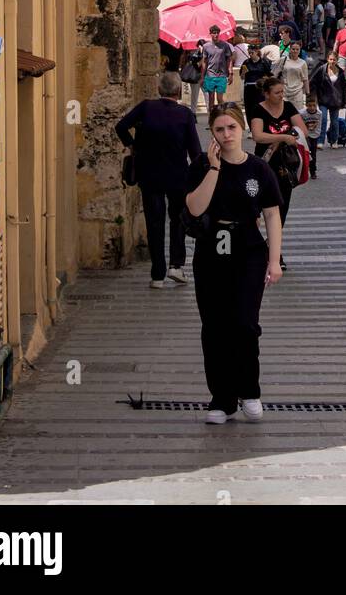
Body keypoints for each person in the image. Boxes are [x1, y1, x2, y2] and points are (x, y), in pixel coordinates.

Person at [185, 103, 283, 423]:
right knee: (214, 326)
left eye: (231, 128)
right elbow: (196, 208)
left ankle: (249, 391)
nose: (226, 135)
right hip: (211, 251)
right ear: (211, 133)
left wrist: (274, 261)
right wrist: (214, 167)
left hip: (248, 251)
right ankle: (222, 398)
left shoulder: (258, 169)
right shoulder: (203, 164)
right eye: (219, 129)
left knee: (244, 323)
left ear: (242, 129)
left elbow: (271, 214)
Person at [116, 71, 201, 288]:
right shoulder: (185, 115)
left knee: (154, 222)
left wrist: (133, 145)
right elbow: (195, 152)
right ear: (179, 90)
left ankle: (157, 275)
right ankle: (176, 266)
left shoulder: (146, 107)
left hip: (149, 175)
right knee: (178, 219)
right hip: (178, 176)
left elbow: (121, 126)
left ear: (159, 90)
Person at [250, 75, 309, 265]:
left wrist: (286, 136)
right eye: (277, 93)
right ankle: (257, 246)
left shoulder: (288, 107)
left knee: (281, 209)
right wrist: (283, 137)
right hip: (264, 166)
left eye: (282, 92)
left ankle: (273, 250)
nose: (281, 96)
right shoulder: (258, 110)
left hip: (286, 167)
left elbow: (302, 130)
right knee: (256, 208)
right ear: (266, 94)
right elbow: (258, 136)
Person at [309, 49, 346, 148]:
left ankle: (334, 140)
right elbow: (312, 82)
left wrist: (344, 102)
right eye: (330, 59)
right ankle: (320, 141)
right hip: (323, 99)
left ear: (337, 60)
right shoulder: (322, 69)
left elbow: (344, 88)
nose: (332, 62)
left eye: (334, 60)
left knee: (334, 122)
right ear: (327, 59)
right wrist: (313, 96)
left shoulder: (340, 72)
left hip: (336, 101)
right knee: (323, 120)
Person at [202, 25, 234, 115]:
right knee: (211, 99)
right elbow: (204, 61)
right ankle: (211, 119)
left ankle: (222, 116)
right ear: (210, 34)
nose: (216, 35)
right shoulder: (206, 46)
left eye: (217, 33)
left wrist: (231, 73)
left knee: (220, 98)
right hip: (210, 75)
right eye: (214, 33)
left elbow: (229, 59)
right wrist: (202, 76)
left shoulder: (225, 45)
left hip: (222, 75)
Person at [240, 40, 273, 126]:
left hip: (260, 89)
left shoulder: (264, 62)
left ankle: (261, 125)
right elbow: (242, 77)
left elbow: (270, 75)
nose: (250, 55)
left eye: (252, 53)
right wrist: (243, 72)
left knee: (260, 107)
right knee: (249, 108)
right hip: (248, 89)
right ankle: (252, 128)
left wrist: (264, 80)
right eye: (249, 53)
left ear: (257, 52)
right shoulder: (246, 63)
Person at [275, 39, 309, 108]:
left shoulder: (303, 63)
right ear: (290, 49)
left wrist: (308, 94)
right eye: (293, 49)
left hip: (297, 92)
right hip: (284, 92)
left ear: (300, 50)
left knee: (297, 114)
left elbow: (305, 79)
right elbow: (275, 74)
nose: (295, 51)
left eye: (297, 49)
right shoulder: (283, 60)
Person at [180, 39, 205, 116]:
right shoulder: (194, 54)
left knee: (206, 95)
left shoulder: (207, 53)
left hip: (204, 77)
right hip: (196, 77)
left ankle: (210, 112)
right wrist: (201, 55)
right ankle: (193, 113)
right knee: (195, 95)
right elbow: (197, 65)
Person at [302, 93, 320, 179]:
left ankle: (313, 171)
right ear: (306, 105)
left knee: (313, 154)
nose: (312, 108)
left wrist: (317, 135)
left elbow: (319, 126)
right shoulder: (302, 113)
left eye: (314, 105)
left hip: (315, 136)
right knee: (306, 153)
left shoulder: (319, 114)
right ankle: (304, 170)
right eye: (310, 106)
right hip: (305, 136)